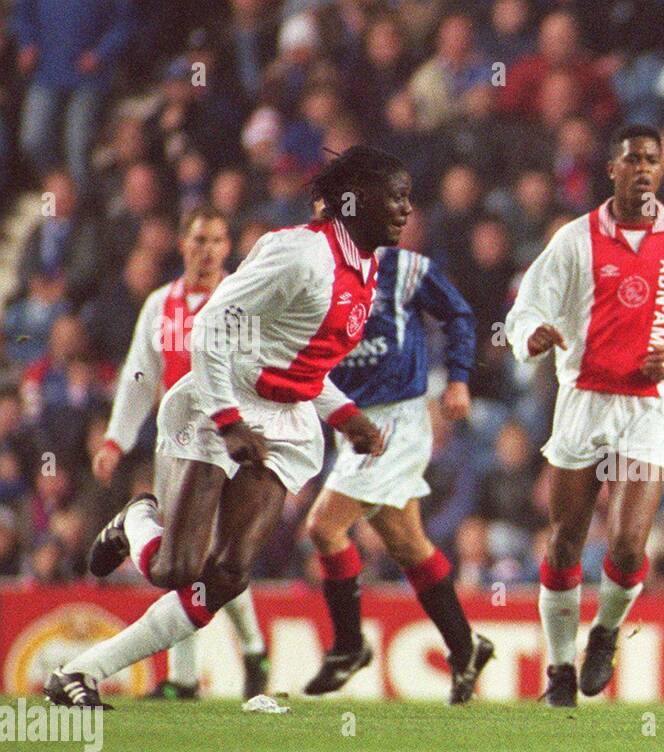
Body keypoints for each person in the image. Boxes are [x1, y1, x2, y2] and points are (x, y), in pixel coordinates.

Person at [44, 145, 406, 708]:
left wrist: (345, 413)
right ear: (353, 201)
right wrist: (229, 422)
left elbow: (298, 357)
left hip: (285, 422)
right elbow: (210, 329)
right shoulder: (299, 255)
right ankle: (137, 518)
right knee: (176, 568)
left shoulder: (367, 267)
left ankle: (78, 674)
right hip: (218, 402)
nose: (406, 208)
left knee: (228, 575)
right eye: (396, 195)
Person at [504, 124, 664, 706]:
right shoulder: (575, 240)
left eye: (653, 160)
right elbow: (526, 308)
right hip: (582, 400)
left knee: (629, 547)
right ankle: (557, 668)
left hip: (650, 409)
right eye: (632, 160)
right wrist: (532, 334)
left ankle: (603, 634)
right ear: (612, 169)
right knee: (565, 542)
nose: (644, 169)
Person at [302, 236, 494, 704]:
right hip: (352, 421)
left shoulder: (403, 268)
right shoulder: (312, 272)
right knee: (408, 544)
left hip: (397, 420)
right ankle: (466, 647)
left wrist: (459, 380)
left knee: (324, 527)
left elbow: (458, 314)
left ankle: (349, 646)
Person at [93, 205, 269, 700]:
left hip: (232, 438)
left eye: (215, 240)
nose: (206, 249)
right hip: (180, 441)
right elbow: (138, 374)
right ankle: (190, 676)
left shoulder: (243, 300)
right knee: (183, 552)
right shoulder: (160, 304)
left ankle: (250, 649)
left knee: (221, 552)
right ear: (182, 244)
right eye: (198, 240)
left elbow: (262, 369)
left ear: (228, 247)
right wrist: (115, 440)